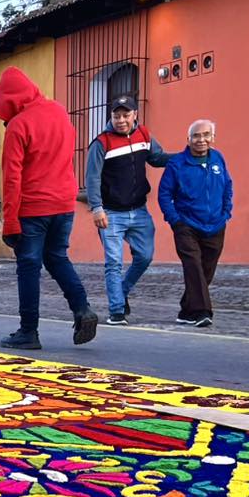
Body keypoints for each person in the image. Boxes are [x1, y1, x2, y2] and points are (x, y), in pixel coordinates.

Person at [0, 68, 98, 349]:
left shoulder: (18, 126)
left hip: (33, 207)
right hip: (64, 204)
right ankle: (82, 309)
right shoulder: (60, 113)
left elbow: (12, 178)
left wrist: (10, 222)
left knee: (28, 266)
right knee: (57, 258)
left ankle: (29, 331)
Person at [84, 94, 170, 324]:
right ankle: (117, 311)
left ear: (135, 115)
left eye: (125, 115)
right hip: (110, 213)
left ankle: (122, 290)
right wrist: (96, 208)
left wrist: (187, 156)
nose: (121, 120)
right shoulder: (101, 143)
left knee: (145, 256)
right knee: (113, 262)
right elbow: (92, 178)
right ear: (111, 117)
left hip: (139, 211)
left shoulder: (144, 135)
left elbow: (158, 158)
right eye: (116, 115)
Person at [158, 120, 233, 327]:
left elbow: (227, 185)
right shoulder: (177, 164)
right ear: (188, 140)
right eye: (196, 136)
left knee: (206, 269)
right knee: (193, 266)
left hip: (216, 224)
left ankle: (187, 310)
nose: (201, 140)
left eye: (206, 135)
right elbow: (164, 194)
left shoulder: (218, 159)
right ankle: (202, 312)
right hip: (187, 225)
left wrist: (226, 211)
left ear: (213, 138)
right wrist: (175, 220)